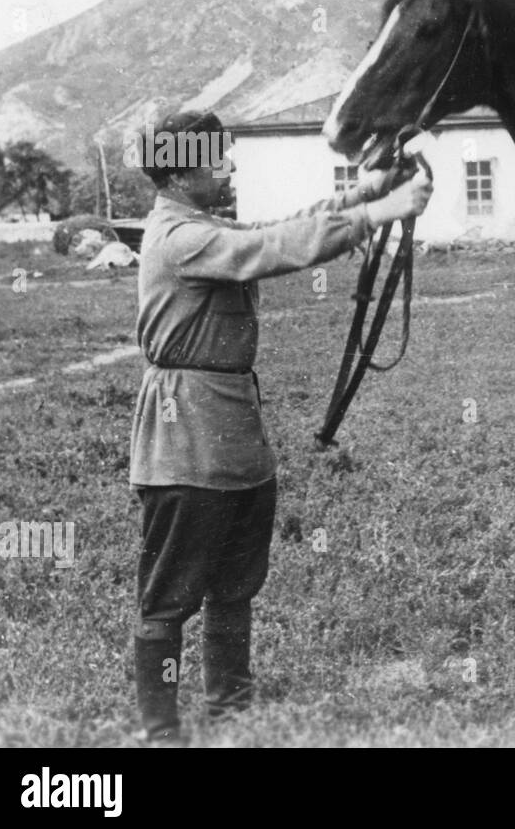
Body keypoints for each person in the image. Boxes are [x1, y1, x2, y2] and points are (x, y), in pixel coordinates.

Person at [127, 110, 431, 746]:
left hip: (234, 427)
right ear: (182, 173)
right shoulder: (179, 237)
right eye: (218, 161)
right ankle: (160, 730)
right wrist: (377, 215)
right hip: (185, 437)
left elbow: (275, 228)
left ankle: (231, 707)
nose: (230, 169)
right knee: (169, 596)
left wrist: (365, 191)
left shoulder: (201, 224)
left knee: (235, 582)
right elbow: (269, 250)